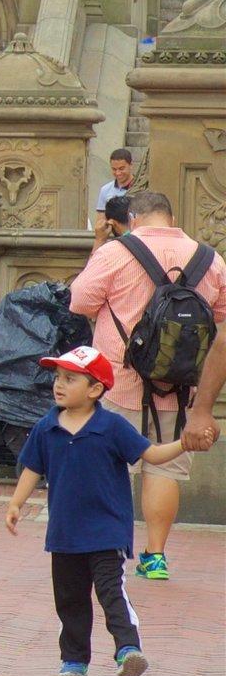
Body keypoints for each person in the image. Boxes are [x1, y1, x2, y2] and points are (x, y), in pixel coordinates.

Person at [5, 347, 189, 676]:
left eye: (70, 379)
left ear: (95, 390)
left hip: (107, 531)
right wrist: (16, 503)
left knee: (110, 590)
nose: (59, 385)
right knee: (70, 597)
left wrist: (184, 444)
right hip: (64, 534)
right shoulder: (47, 427)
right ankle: (74, 658)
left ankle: (128, 649)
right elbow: (32, 467)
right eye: (58, 378)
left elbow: (151, 454)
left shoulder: (112, 426)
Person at [64, 190, 221, 581]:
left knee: (107, 466)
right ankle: (155, 557)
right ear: (171, 217)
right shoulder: (209, 258)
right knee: (165, 470)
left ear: (133, 218)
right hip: (180, 386)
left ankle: (102, 551)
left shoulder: (116, 253)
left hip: (118, 382)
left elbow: (79, 301)